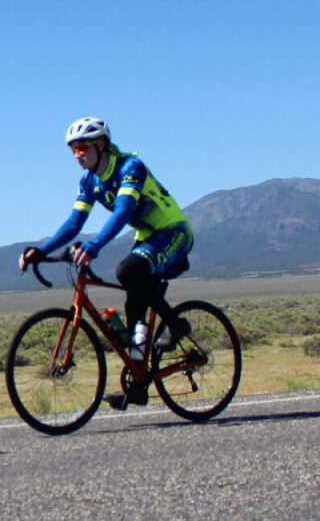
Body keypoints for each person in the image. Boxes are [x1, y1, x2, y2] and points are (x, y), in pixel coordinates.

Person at [18, 117, 194, 409]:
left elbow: (123, 211)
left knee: (128, 271)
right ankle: (138, 385)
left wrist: (95, 245)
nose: (77, 154)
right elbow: (75, 222)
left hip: (172, 231)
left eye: (83, 147)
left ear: (101, 145)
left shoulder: (129, 168)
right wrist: (41, 249)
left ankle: (176, 325)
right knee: (133, 308)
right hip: (148, 236)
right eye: (72, 149)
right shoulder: (89, 181)